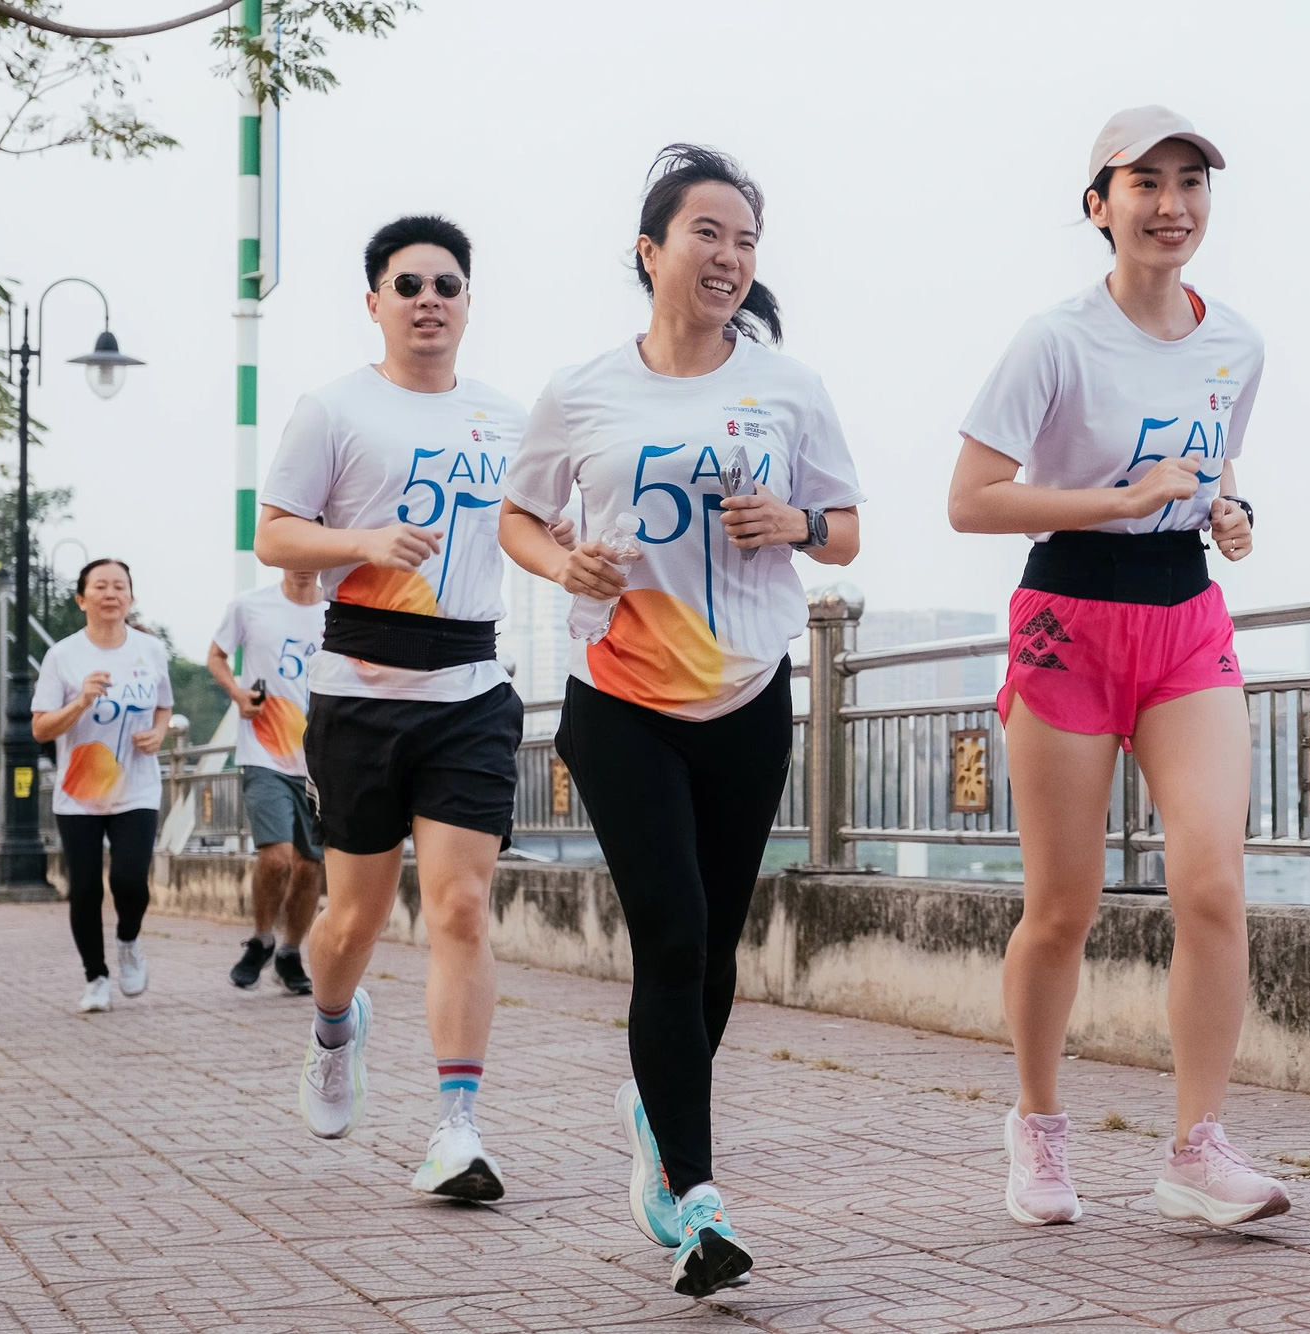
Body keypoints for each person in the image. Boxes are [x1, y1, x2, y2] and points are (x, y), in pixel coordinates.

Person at [500, 144, 864, 1298]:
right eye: (708, 233)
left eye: (746, 239)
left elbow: (846, 528)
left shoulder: (788, 385)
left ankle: (656, 1117)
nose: (729, 256)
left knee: (711, 950)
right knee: (666, 932)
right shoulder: (582, 389)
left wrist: (792, 522)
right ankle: (692, 1200)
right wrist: (569, 561)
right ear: (651, 249)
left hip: (748, 695)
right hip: (620, 700)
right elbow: (518, 516)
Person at [947, 106, 1290, 1229]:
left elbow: (1210, 466)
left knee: (1212, 882)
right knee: (1062, 902)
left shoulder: (1233, 340)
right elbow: (970, 499)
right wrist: (1120, 500)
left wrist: (1226, 512)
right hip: (1068, 614)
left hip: (1185, 611)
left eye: (1190, 181)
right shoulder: (1053, 340)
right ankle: (1036, 1128)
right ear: (1097, 205)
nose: (1171, 202)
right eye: (1143, 182)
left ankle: (1196, 1146)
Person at [256, 214, 573, 1201]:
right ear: (375, 303)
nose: (428, 298)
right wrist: (359, 543)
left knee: (461, 903)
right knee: (348, 919)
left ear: (468, 302)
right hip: (357, 694)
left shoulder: (506, 417)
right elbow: (274, 536)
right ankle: (332, 1026)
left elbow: (536, 522)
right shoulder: (334, 409)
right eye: (408, 284)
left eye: (446, 283)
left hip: (471, 690)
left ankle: (455, 1128)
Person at [31, 559, 174, 1014]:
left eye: (120, 586)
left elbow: (165, 706)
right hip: (80, 792)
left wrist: (158, 733)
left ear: (130, 597)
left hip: (137, 787)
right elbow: (40, 728)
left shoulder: (150, 651)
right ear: (82, 599)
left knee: (130, 880)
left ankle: (128, 941)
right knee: (87, 889)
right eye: (100, 586)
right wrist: (81, 701)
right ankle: (95, 977)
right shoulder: (63, 656)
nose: (111, 594)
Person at [207, 571, 327, 994]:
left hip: (320, 758)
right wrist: (238, 694)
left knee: (311, 866)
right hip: (264, 753)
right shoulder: (250, 605)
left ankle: (290, 953)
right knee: (277, 858)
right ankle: (260, 938)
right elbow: (216, 656)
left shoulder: (337, 606)